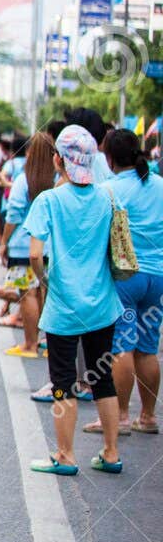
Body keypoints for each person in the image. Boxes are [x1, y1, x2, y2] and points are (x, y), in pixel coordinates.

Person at [24, 125, 123, 476]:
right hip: (102, 304)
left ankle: (65, 457)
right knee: (102, 378)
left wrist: (45, 280)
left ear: (58, 160)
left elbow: (35, 254)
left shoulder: (48, 200)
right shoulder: (107, 197)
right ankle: (110, 453)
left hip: (64, 305)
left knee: (63, 382)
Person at [103, 129, 163, 436]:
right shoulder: (160, 185)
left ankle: (122, 416)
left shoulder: (109, 189)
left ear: (110, 158)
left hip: (127, 277)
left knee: (122, 346)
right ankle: (149, 417)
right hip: (158, 279)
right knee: (147, 347)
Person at [0, 132, 54, 358]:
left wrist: (4, 242)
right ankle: (42, 341)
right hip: (49, 246)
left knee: (27, 294)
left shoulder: (24, 179)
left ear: (31, 152)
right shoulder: (56, 181)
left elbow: (13, 215)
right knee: (42, 292)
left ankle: (30, 344)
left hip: (23, 244)